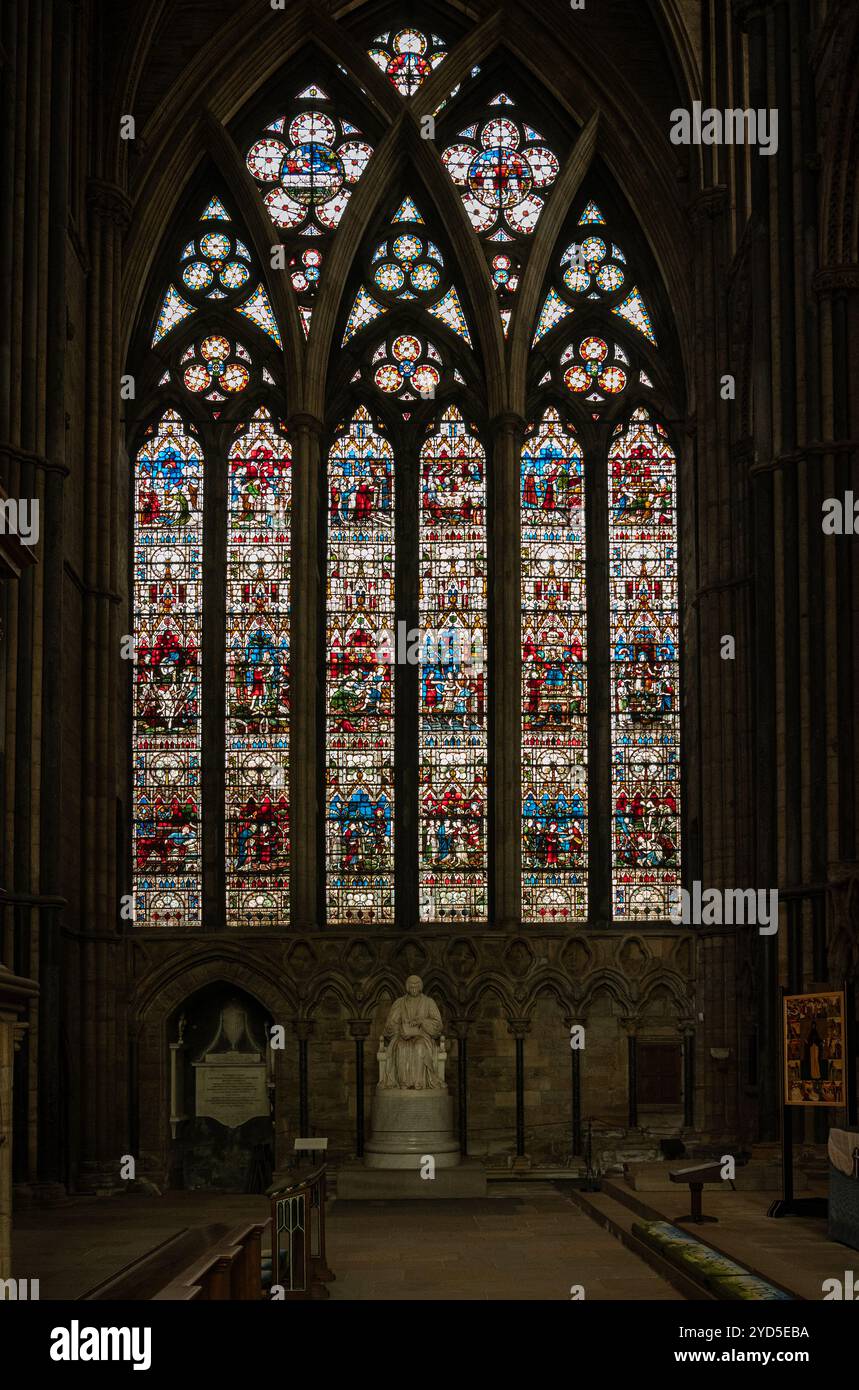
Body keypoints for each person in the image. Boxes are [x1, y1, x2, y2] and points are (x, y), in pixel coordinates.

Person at [379, 976, 444, 1090]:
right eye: (411, 986)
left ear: (420, 987)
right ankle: (403, 1082)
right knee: (400, 1047)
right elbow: (389, 1025)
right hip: (402, 1037)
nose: (414, 989)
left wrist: (422, 1021)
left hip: (423, 1037)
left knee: (419, 1047)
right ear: (407, 987)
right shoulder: (400, 1003)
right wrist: (401, 1028)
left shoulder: (428, 1002)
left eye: (416, 986)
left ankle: (419, 1083)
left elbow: (438, 1025)